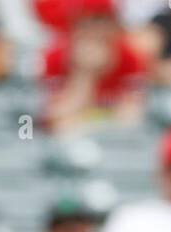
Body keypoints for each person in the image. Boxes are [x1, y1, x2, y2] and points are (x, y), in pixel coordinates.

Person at [41, 0, 148, 134]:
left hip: (113, 132)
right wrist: (85, 75)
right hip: (75, 130)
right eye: (86, 21)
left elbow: (133, 112)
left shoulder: (129, 56)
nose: (95, 30)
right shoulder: (55, 56)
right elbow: (54, 116)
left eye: (102, 20)